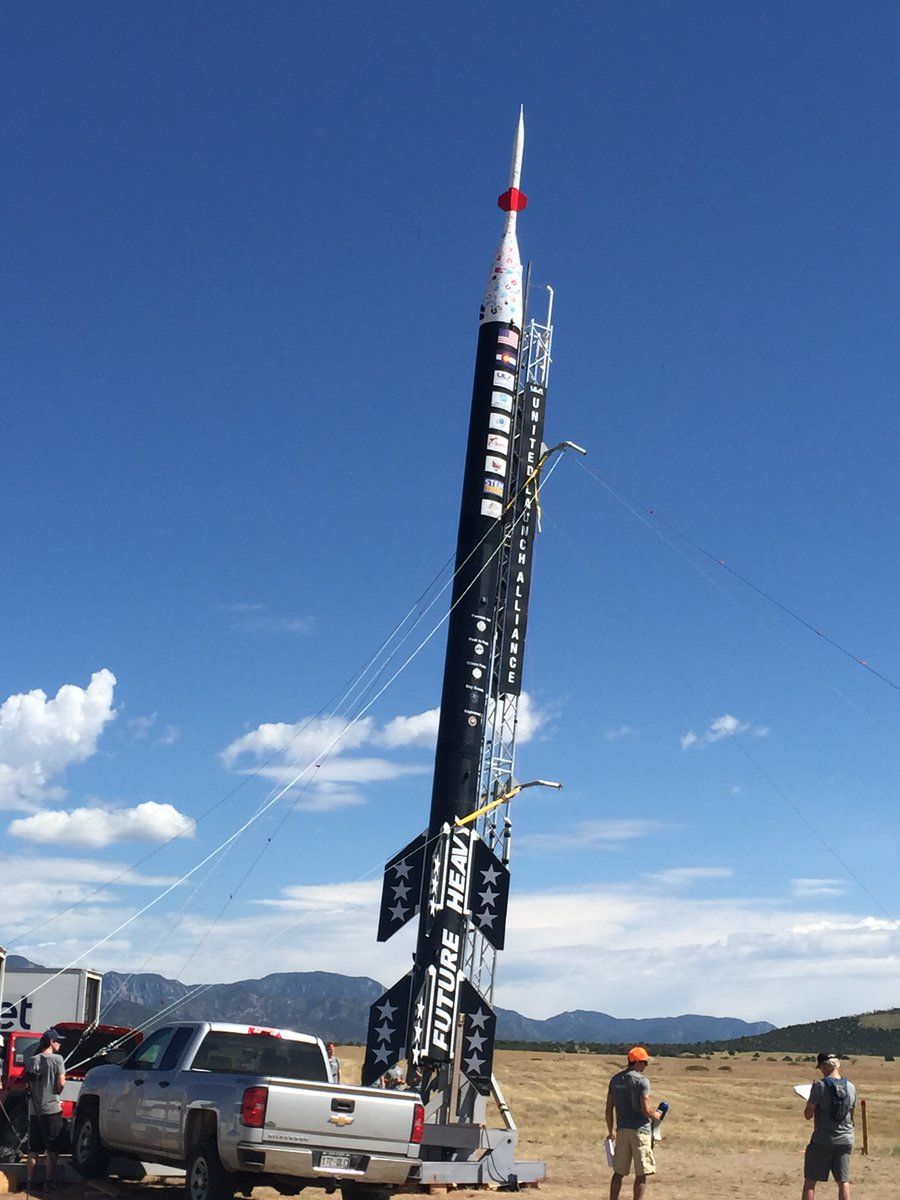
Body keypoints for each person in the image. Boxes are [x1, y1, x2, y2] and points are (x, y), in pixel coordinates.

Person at [605, 1046, 664, 1200]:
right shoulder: (642, 1081)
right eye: (644, 1062)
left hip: (622, 1129)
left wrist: (611, 1131)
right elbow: (645, 1109)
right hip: (640, 1131)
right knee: (641, 1173)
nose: (646, 1065)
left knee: (618, 1172)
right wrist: (656, 1115)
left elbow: (608, 1108)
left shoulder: (615, 1079)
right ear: (636, 1062)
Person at [802, 1052, 857, 1200]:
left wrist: (810, 1100)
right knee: (843, 1181)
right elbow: (852, 1115)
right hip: (846, 1139)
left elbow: (808, 1115)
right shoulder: (851, 1087)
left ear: (824, 1067)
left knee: (810, 1181)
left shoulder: (819, 1086)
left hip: (823, 1140)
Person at [25, 1028, 66, 1191]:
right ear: (51, 1042)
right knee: (52, 1148)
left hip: (35, 1110)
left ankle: (29, 1181)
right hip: (51, 1109)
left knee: (33, 1149)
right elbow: (61, 1084)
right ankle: (48, 1182)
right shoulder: (58, 1059)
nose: (60, 1044)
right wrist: (56, 1092)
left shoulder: (32, 1059)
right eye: (58, 1041)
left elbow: (28, 1085)